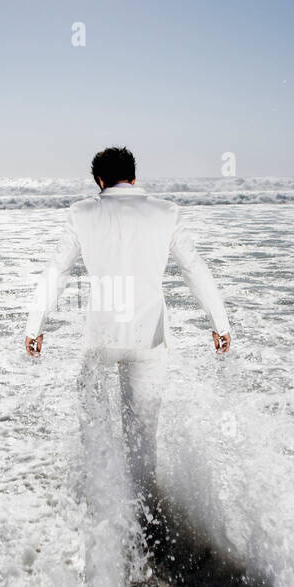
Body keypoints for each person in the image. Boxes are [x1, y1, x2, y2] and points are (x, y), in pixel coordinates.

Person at [24, 146, 232, 501]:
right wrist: (220, 322)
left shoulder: (82, 213)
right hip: (148, 338)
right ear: (134, 178)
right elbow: (193, 268)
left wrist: (34, 325)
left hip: (100, 337)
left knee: (93, 424)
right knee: (142, 433)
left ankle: (100, 502)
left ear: (100, 182)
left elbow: (57, 270)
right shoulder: (167, 212)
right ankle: (144, 509)